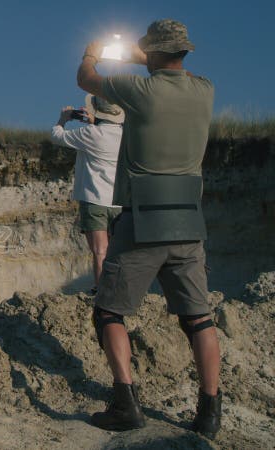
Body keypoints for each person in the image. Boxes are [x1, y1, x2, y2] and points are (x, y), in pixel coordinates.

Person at [77, 19, 221, 437]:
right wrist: (153, 54)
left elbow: (85, 78)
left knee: (108, 311)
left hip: (143, 221)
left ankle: (126, 404)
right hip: (190, 223)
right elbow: (170, 67)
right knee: (199, 319)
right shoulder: (205, 90)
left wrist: (93, 50)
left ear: (151, 52)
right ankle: (210, 413)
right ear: (184, 52)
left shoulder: (136, 90)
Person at [50, 95, 124, 293]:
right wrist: (95, 121)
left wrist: (63, 119)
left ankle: (101, 292)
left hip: (94, 200)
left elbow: (56, 136)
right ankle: (117, 291)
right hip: (118, 201)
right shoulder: (125, 135)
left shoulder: (90, 133)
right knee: (117, 251)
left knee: (100, 251)